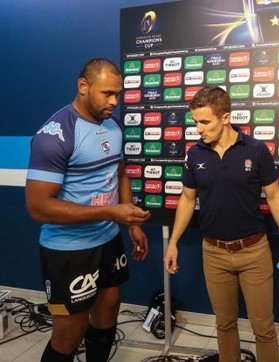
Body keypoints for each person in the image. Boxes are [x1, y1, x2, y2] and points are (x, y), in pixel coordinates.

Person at [163, 85, 279, 362]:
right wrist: (173, 243)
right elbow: (187, 200)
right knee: (224, 325)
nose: (198, 129)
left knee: (263, 328)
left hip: (254, 252)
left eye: (205, 121)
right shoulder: (195, 154)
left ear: (225, 117)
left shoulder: (256, 150)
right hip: (213, 253)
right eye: (195, 122)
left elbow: (275, 197)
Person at [26, 58, 151, 362]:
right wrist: (111, 213)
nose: (114, 102)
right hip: (69, 252)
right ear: (83, 86)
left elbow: (120, 174)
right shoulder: (54, 136)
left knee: (108, 314)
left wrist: (131, 224)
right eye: (107, 93)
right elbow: (39, 207)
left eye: (118, 94)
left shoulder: (113, 125)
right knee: (69, 333)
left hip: (108, 241)